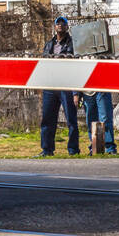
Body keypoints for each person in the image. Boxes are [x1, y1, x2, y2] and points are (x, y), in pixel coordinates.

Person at [39, 17, 80, 156]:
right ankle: (47, 149)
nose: (60, 25)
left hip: (66, 85)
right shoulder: (49, 44)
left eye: (63, 23)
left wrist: (75, 92)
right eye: (58, 23)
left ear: (67, 26)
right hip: (50, 86)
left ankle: (73, 150)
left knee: (71, 119)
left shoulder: (72, 44)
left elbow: (75, 65)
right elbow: (43, 63)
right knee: (47, 119)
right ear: (54, 27)